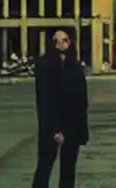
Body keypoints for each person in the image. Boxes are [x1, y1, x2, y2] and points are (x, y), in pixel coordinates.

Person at [32, 28, 89, 188]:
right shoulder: (45, 65)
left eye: (64, 40)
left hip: (72, 124)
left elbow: (82, 101)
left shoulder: (76, 67)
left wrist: (82, 129)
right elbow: (45, 100)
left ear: (70, 42)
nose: (61, 44)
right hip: (52, 122)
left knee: (69, 168)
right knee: (44, 165)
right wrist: (54, 129)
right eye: (56, 41)